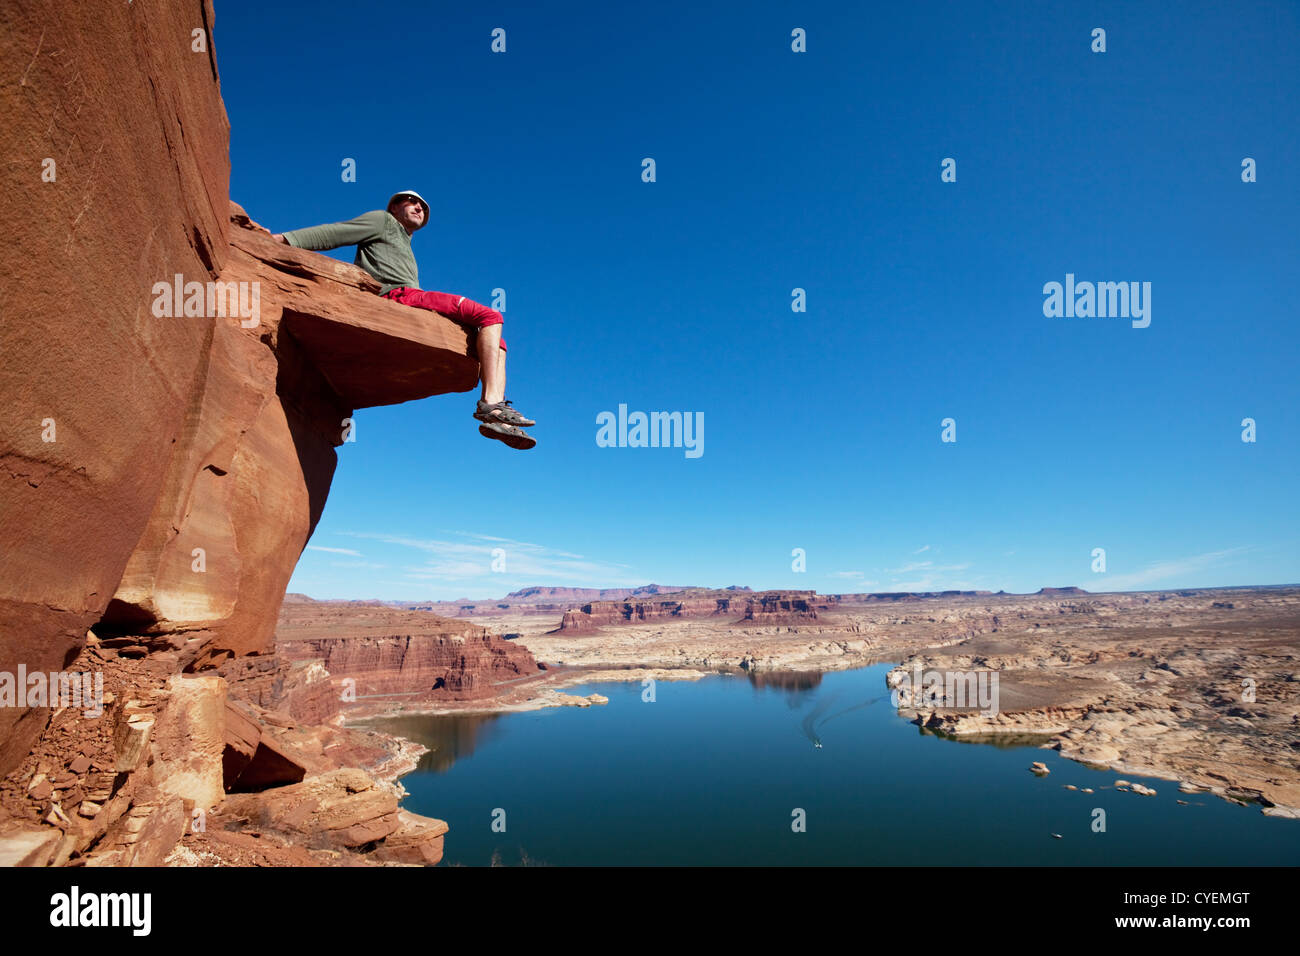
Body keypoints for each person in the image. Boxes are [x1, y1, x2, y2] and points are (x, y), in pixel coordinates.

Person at [270, 190, 536, 450]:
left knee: (498, 340)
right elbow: (336, 232)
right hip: (398, 296)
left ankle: (498, 412)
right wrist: (283, 239)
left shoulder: (403, 241)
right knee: (490, 315)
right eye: (412, 202)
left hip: (411, 299)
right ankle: (490, 404)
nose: (419, 207)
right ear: (394, 208)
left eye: (423, 206)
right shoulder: (382, 221)